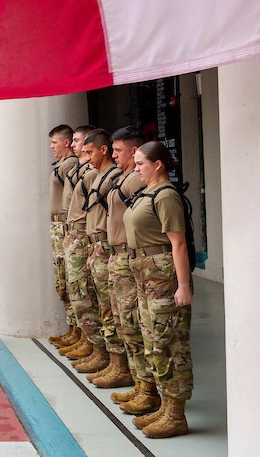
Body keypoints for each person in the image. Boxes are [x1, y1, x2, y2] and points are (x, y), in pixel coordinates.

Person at [121, 141, 193, 439]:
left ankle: (176, 414)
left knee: (170, 342)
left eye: (141, 163)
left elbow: (178, 243)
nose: (136, 168)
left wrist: (183, 285)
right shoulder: (147, 193)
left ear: (158, 164)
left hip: (162, 274)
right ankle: (164, 405)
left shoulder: (165, 196)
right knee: (153, 341)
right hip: (145, 273)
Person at [79, 129, 127, 382]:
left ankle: (119, 365)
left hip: (110, 247)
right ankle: (107, 356)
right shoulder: (99, 176)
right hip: (98, 246)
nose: (87, 158)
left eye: (90, 152)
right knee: (102, 304)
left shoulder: (114, 177)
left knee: (113, 309)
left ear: (103, 150)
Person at [105, 127, 148, 400]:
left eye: (118, 150)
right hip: (116, 255)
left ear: (134, 151)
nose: (113, 155)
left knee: (133, 322)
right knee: (122, 320)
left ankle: (145, 386)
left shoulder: (135, 181)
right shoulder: (123, 178)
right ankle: (134, 378)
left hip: (129, 257)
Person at [58, 126, 96, 360]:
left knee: (84, 291)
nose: (73, 145)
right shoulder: (78, 169)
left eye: (76, 140)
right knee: (71, 287)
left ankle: (93, 344)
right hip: (71, 230)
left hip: (83, 234)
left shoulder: (90, 173)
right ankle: (80, 334)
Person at [48, 126, 81, 348]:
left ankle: (80, 332)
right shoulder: (62, 165)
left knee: (72, 281)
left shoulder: (69, 165)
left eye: (55, 143)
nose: (52, 147)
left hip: (65, 225)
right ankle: (73, 329)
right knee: (63, 280)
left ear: (66, 143)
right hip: (59, 225)